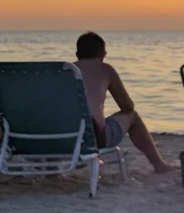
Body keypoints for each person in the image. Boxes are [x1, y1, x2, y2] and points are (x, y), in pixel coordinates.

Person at [73, 32, 175, 173]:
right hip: (93, 138)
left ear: (77, 54)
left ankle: (52, 171)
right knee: (132, 115)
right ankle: (159, 165)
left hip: (65, 136)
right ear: (102, 53)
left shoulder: (65, 71)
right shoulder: (105, 69)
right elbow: (127, 106)